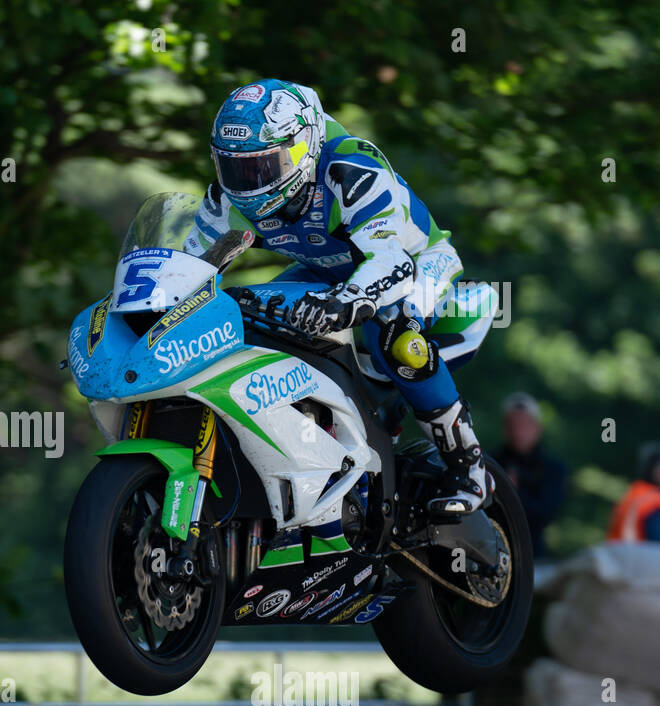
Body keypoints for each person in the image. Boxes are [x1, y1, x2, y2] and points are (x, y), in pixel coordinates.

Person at [184, 79, 490, 514]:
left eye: (263, 167)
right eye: (236, 169)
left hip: (416, 261)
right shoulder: (226, 199)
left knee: (398, 335)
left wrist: (342, 303)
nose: (248, 183)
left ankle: (468, 463)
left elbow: (393, 263)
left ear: (302, 147)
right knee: (251, 321)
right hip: (324, 267)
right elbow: (190, 269)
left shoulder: (351, 168)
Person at [492, 393, 567, 557]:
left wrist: (510, 492)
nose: (518, 432)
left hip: (532, 555)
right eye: (513, 425)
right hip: (491, 550)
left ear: (537, 428)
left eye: (524, 425)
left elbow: (545, 515)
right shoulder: (490, 463)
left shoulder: (552, 469)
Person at [606, 442, 660, 543]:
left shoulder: (634, 492)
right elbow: (656, 539)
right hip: (641, 555)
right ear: (652, 468)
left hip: (618, 553)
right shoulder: (652, 500)